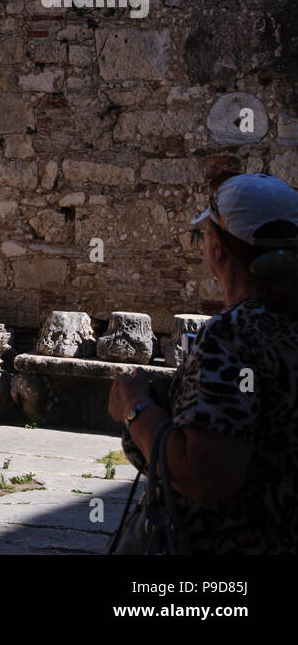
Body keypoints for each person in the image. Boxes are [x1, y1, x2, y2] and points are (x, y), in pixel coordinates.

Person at [108, 172, 298, 554]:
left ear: (219, 249)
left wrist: (134, 405)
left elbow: (204, 476)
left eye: (205, 234)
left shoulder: (232, 336)